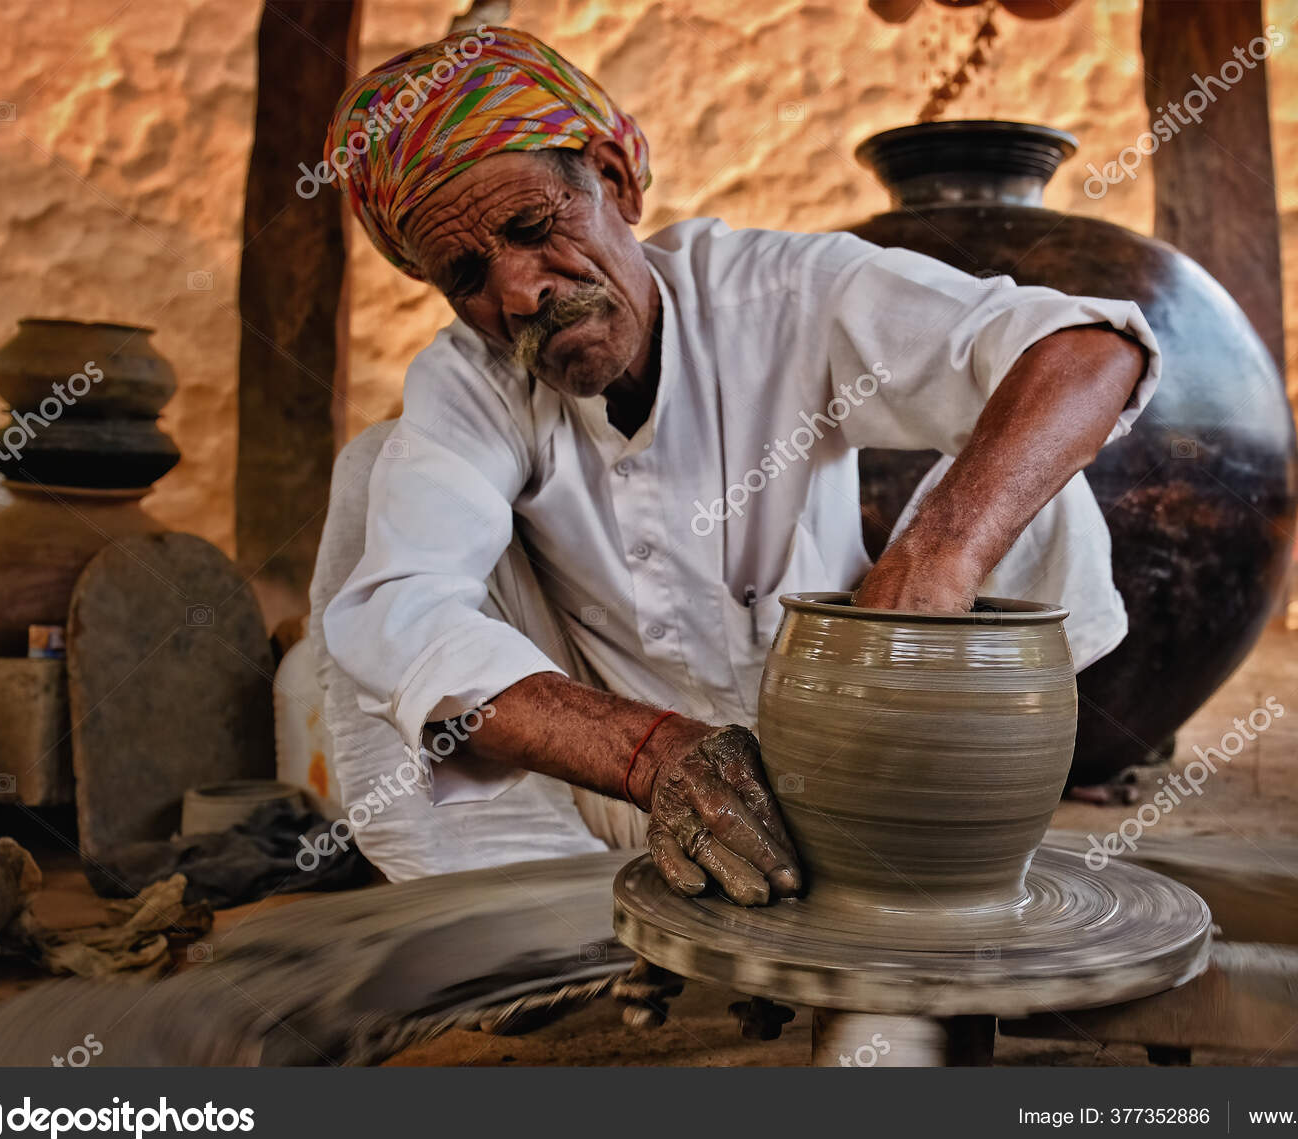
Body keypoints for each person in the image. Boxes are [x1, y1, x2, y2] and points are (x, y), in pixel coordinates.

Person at [317, 26, 1158, 902]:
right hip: (624, 786)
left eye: (533, 227)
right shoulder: (472, 382)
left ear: (615, 178)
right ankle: (536, 934)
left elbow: (1088, 347)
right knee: (373, 481)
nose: (520, 292)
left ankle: (955, 844)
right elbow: (403, 610)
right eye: (465, 275)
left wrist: (939, 552)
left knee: (1026, 445)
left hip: (854, 742)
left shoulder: (782, 292)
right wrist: (654, 753)